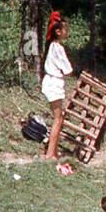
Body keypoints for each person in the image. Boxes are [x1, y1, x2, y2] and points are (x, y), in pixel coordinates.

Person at [40, 12, 75, 160]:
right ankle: (50, 154)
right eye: (65, 29)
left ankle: (53, 152)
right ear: (58, 31)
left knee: (58, 118)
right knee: (58, 119)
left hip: (52, 82)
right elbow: (68, 70)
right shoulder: (58, 48)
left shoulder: (53, 46)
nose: (67, 32)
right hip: (54, 83)